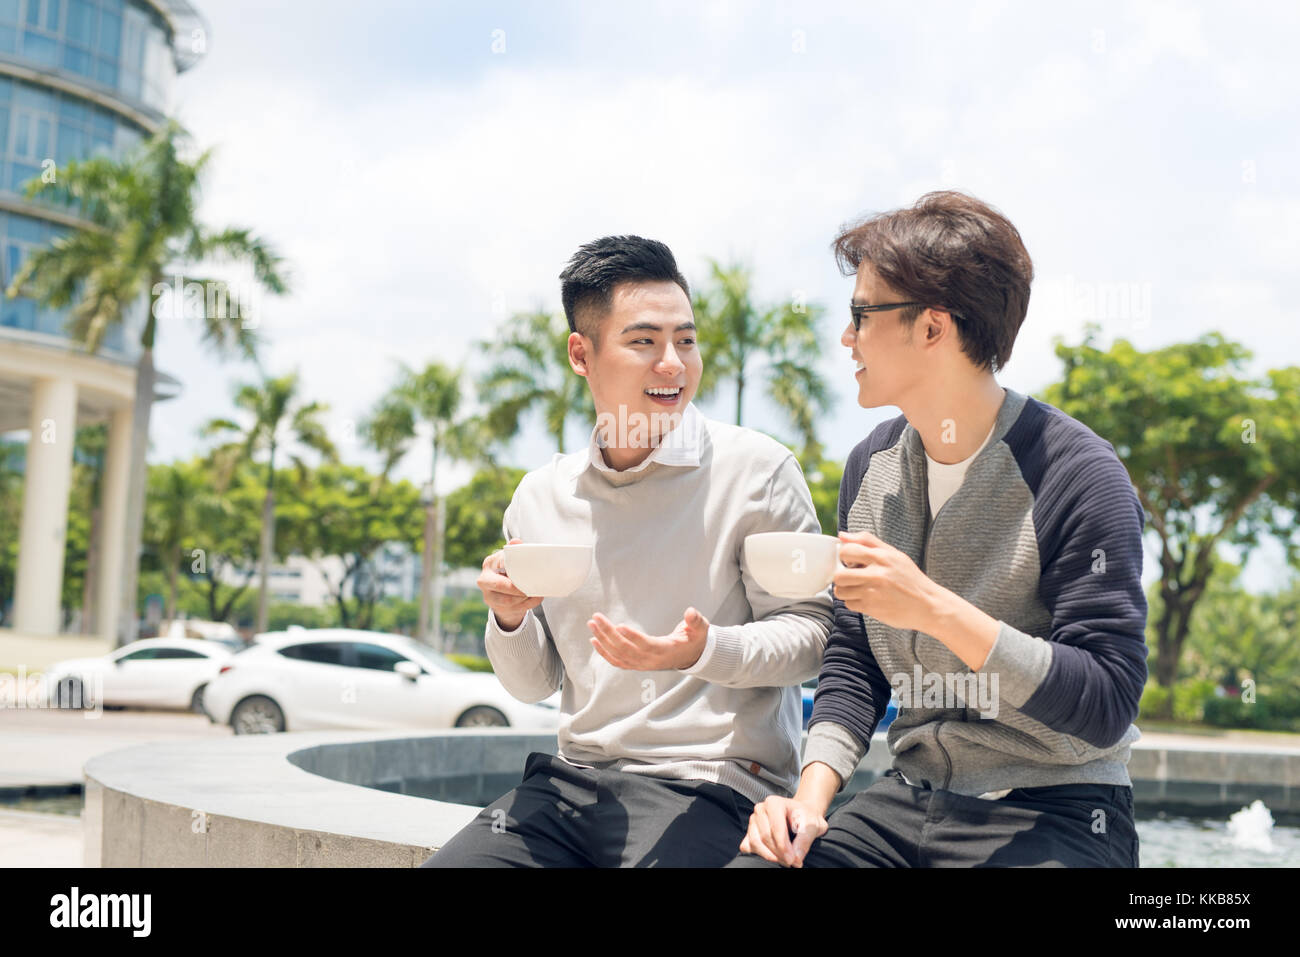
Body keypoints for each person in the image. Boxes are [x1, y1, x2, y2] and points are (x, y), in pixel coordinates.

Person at [728, 190, 1147, 868]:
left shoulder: (1078, 473)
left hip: (1060, 811)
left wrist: (932, 608)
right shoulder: (871, 465)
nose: (847, 336)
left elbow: (1106, 696)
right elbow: (853, 654)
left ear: (932, 328)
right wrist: (809, 801)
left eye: (862, 314)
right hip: (910, 800)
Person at [422, 235, 833, 867]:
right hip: (570, 783)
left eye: (686, 340)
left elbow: (812, 637)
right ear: (581, 354)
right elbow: (531, 683)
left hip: (713, 784)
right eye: (644, 341)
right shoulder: (540, 497)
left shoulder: (758, 470)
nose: (672, 363)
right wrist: (508, 617)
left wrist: (704, 651)